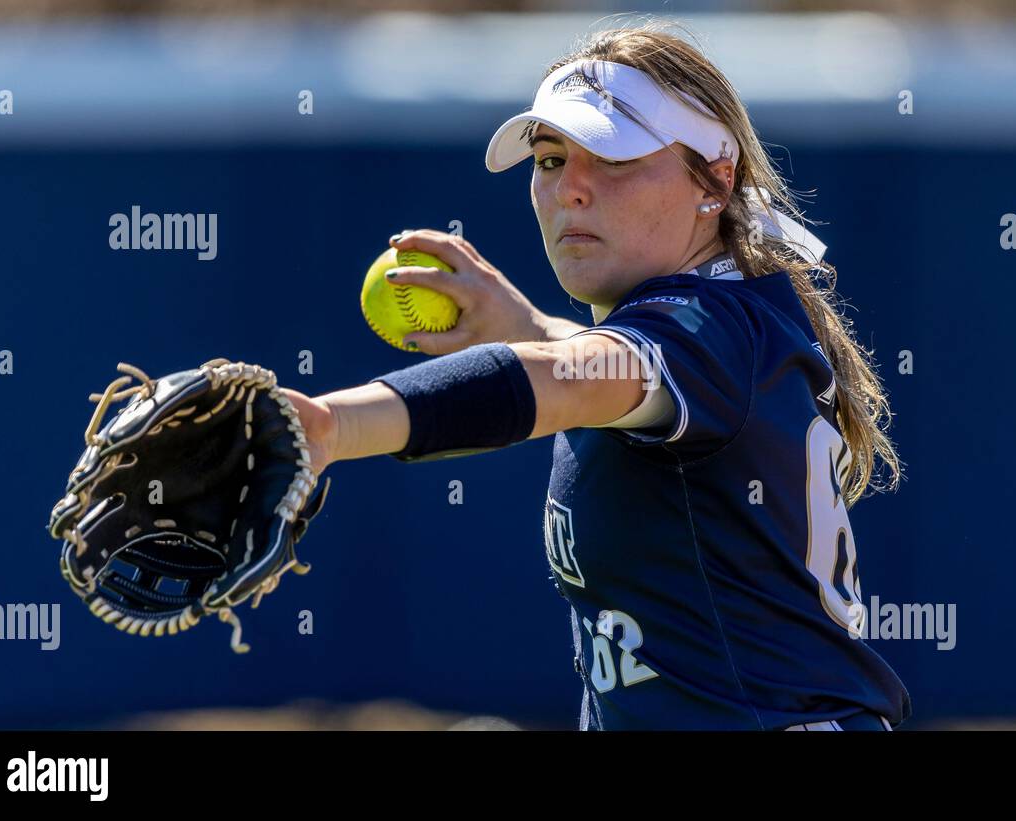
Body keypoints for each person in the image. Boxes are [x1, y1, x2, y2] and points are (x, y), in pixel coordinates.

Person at [281, 23, 909, 731]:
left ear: (716, 178)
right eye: (550, 160)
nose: (571, 190)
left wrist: (331, 426)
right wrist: (531, 328)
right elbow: (609, 363)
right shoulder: (725, 317)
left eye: (613, 159)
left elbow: (578, 378)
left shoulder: (714, 329)